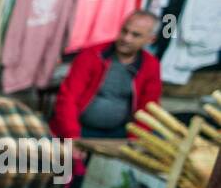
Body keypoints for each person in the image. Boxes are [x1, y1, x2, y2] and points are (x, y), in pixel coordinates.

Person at [51, 9, 163, 142]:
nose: (126, 38)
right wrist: (72, 136)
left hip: (119, 133)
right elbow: (68, 97)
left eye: (135, 35)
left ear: (151, 39)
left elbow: (148, 108)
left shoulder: (150, 65)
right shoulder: (92, 55)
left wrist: (133, 141)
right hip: (79, 129)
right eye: (124, 31)